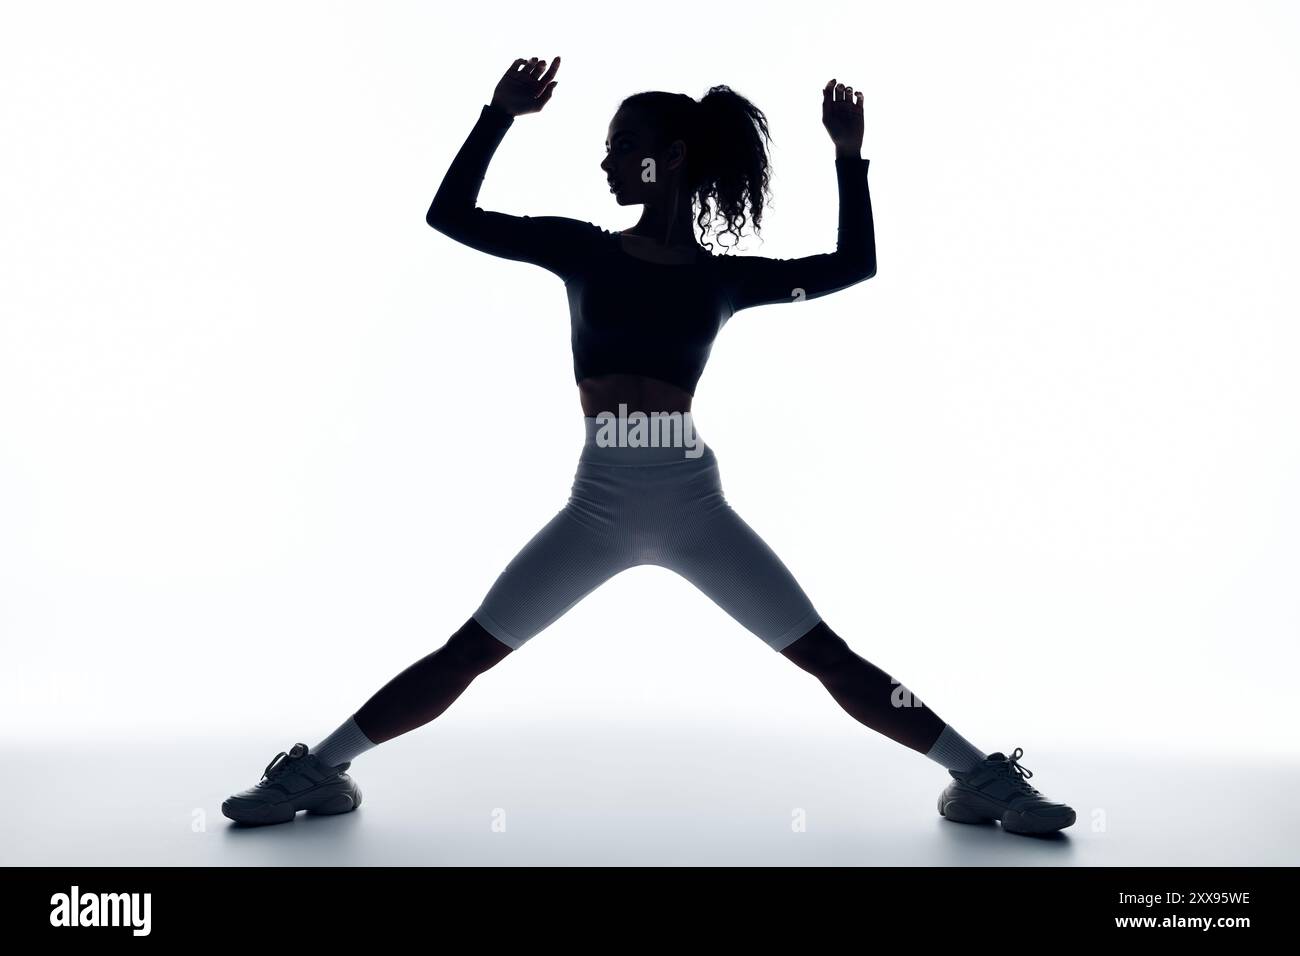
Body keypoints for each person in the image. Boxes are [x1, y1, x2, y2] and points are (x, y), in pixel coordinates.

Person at [222, 56, 1076, 836]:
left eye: (620, 146)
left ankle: (980, 779)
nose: (604, 163)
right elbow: (450, 215)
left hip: (692, 505)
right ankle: (320, 771)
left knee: (825, 655)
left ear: (666, 155)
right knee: (469, 652)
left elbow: (854, 265)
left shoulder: (725, 279)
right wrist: (498, 114)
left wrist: (849, 158)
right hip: (597, 506)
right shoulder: (577, 249)